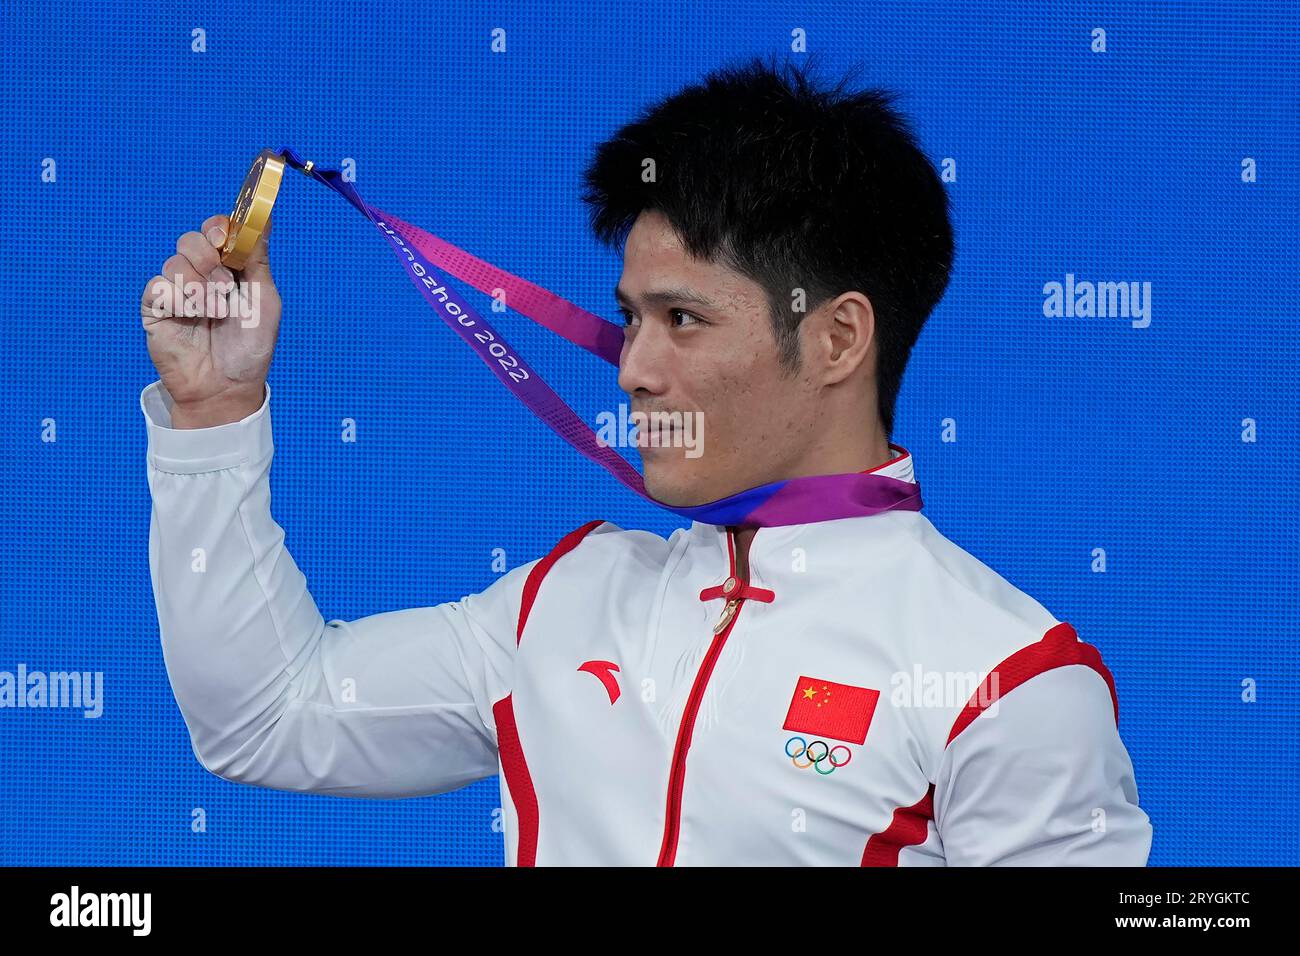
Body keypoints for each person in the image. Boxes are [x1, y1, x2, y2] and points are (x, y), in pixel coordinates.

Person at [138, 55, 1152, 866]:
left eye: (683, 319)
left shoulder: (1005, 681)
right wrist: (212, 407)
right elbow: (265, 717)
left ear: (838, 340)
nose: (633, 369)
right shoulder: (564, 604)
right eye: (630, 317)